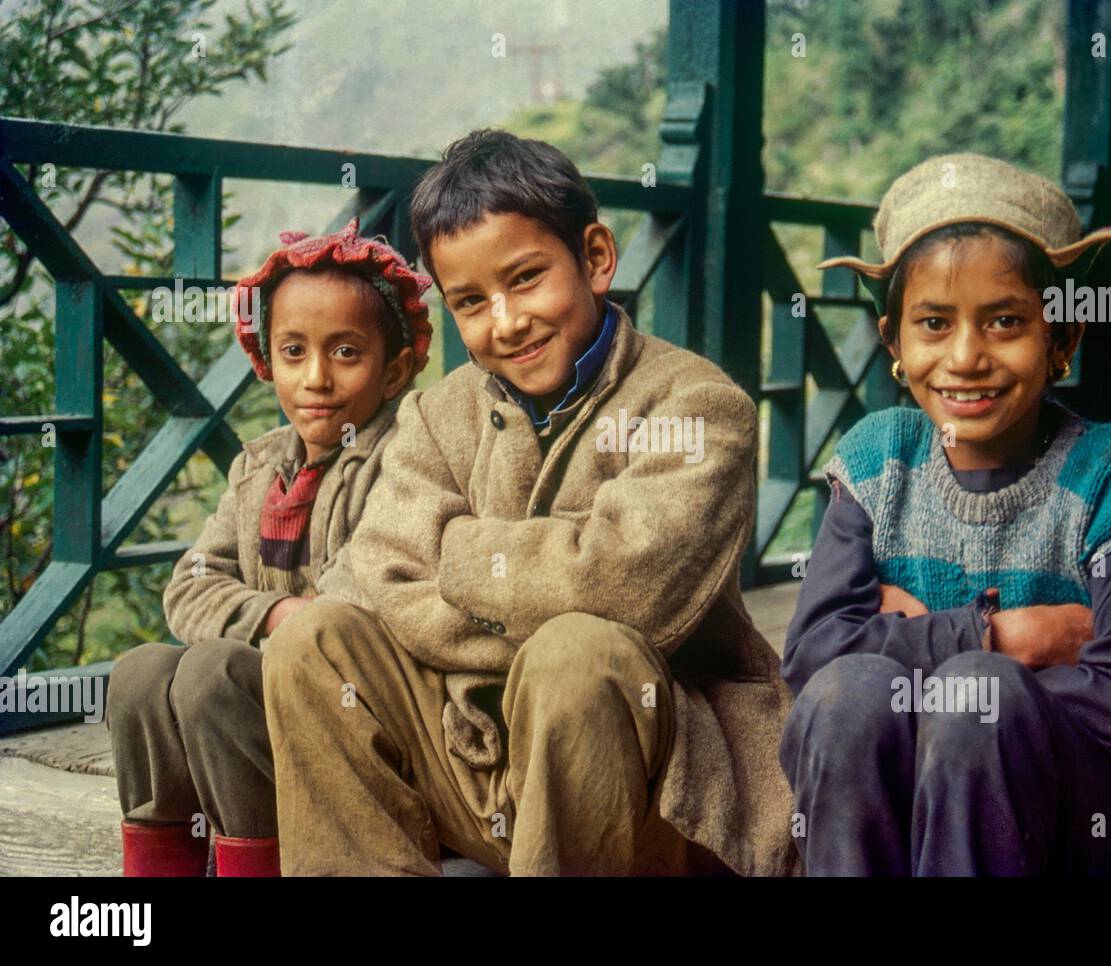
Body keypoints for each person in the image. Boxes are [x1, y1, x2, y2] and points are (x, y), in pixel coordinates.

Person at [260, 129, 800, 876]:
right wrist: (550, 582)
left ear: (597, 258)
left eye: (526, 279)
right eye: (471, 302)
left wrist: (456, 554)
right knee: (312, 639)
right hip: (478, 771)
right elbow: (375, 579)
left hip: (651, 797)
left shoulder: (696, 405)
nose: (506, 321)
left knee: (578, 651)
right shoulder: (434, 416)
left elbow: (626, 589)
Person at [779, 153, 1111, 876]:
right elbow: (814, 656)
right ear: (894, 342)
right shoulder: (877, 461)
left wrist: (935, 663)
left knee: (974, 702)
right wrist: (996, 636)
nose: (966, 356)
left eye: (1006, 321)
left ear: (1062, 341)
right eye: (934, 324)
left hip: (1077, 832)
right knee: (849, 695)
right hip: (907, 825)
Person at [106, 219, 431, 876]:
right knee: (140, 673)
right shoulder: (260, 468)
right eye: (293, 352)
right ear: (266, 359)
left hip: (361, 724)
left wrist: (265, 625)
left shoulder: (407, 460)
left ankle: (255, 862)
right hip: (262, 720)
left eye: (345, 353)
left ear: (395, 370)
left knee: (214, 671)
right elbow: (191, 584)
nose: (315, 377)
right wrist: (277, 616)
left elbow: (364, 596)